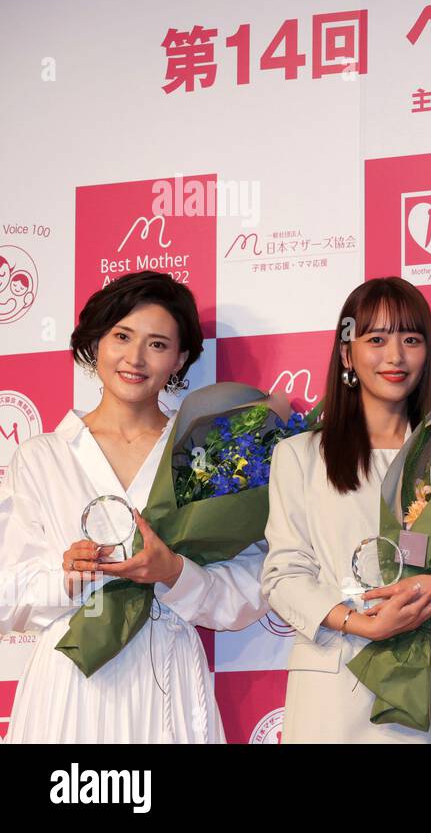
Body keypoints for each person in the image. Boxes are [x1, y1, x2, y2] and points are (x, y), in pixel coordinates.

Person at [0, 271, 265, 743]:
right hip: (70, 681)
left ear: (180, 358)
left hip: (167, 677)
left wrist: (175, 572)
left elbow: (250, 588)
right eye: (122, 336)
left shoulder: (206, 455)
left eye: (158, 344)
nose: (135, 358)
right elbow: (6, 597)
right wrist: (66, 575)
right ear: (96, 341)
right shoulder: (42, 457)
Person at [261, 277, 431, 743]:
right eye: (376, 339)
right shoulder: (300, 456)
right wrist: (366, 624)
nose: (395, 356)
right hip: (337, 678)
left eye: (411, 339)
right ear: (347, 354)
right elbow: (283, 575)